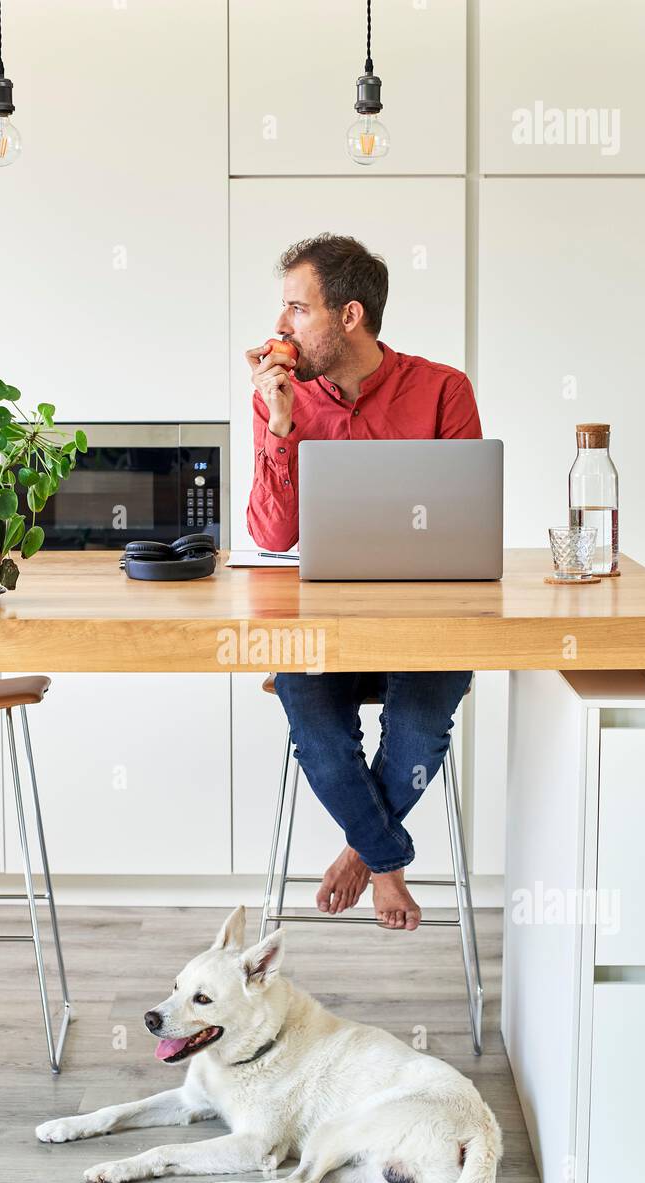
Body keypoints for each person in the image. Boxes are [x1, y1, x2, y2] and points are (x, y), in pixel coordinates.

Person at [245, 233, 480, 930]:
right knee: (317, 733)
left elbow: (464, 519)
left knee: (416, 725)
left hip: (427, 614)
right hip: (317, 618)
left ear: (349, 317)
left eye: (297, 309)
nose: (281, 327)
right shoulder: (280, 398)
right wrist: (282, 424)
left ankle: (361, 852)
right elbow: (272, 535)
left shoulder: (442, 390)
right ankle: (387, 859)